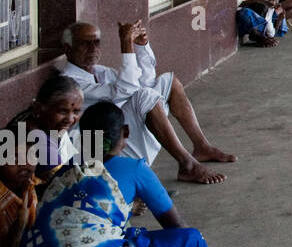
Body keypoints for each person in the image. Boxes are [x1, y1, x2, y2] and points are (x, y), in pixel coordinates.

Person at [11, 102, 221, 247]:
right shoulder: (135, 169)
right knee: (192, 241)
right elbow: (176, 227)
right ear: (126, 131)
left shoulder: (65, 172)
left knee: (121, 236)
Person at [60, 21, 232, 184]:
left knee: (170, 82)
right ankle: (187, 165)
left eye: (96, 42)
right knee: (145, 96)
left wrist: (141, 46)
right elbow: (126, 89)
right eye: (85, 43)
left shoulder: (101, 71)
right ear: (68, 49)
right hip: (100, 150)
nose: (93, 48)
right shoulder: (70, 83)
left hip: (125, 136)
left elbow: (144, 83)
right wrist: (126, 45)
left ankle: (201, 146)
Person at [3, 75, 83, 182]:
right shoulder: (39, 140)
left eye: (76, 111)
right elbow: (63, 184)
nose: (70, 119)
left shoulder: (48, 125)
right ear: (39, 108)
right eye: (62, 111)